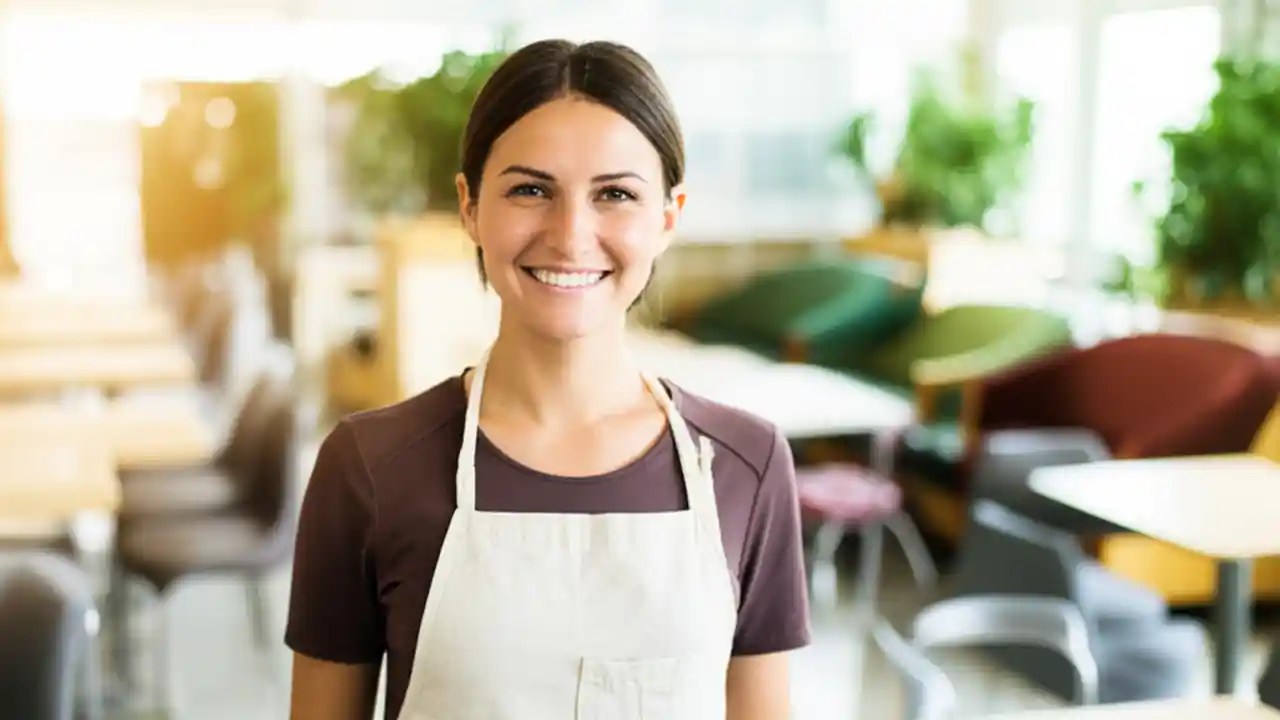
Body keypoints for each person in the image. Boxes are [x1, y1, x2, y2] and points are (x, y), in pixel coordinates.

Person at [286, 38, 811, 719]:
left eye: (615, 194)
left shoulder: (748, 467)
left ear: (668, 217)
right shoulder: (368, 467)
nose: (570, 234)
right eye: (530, 190)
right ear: (470, 206)